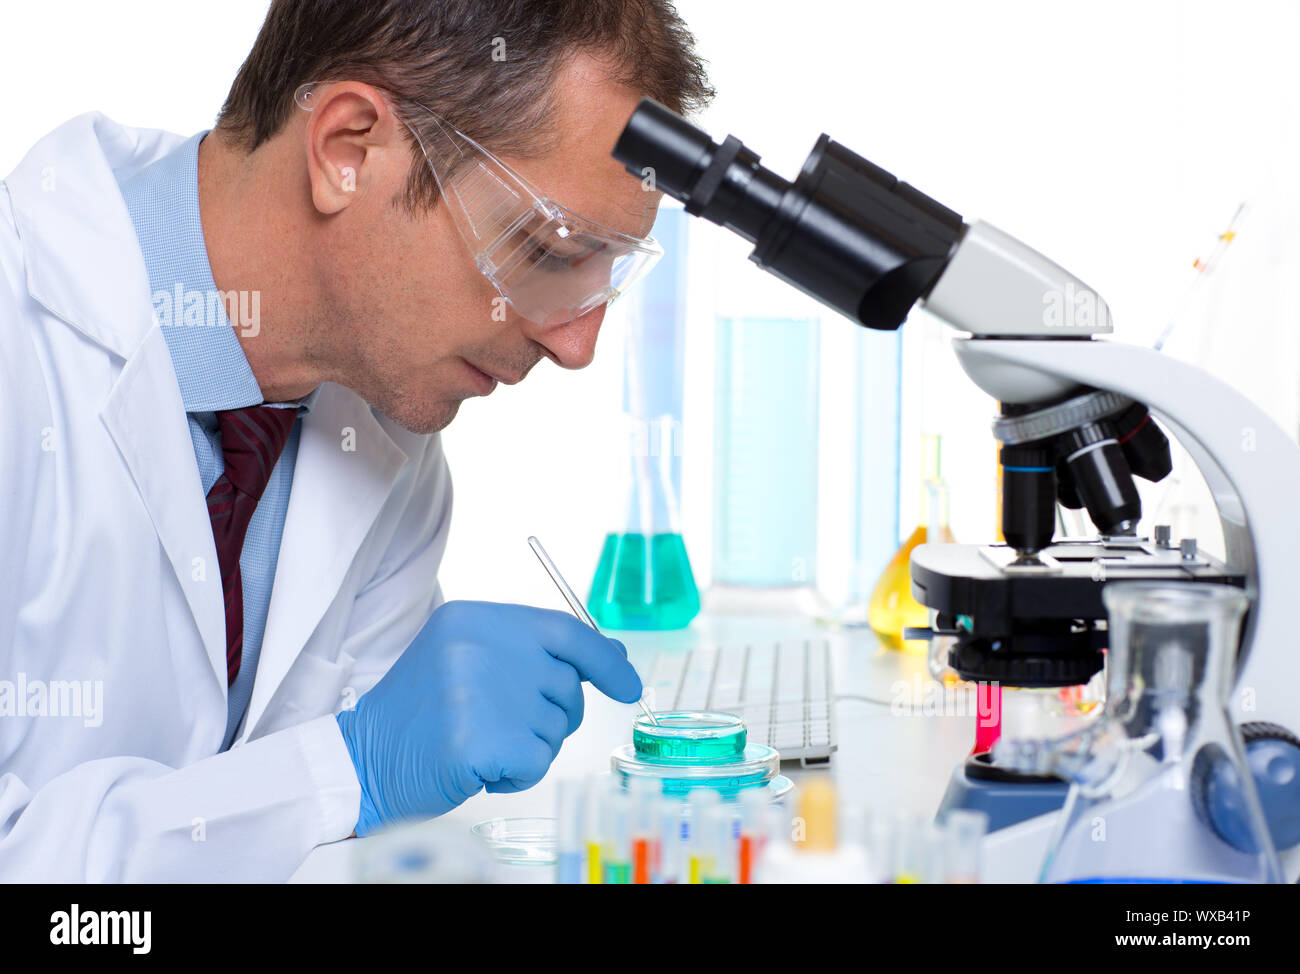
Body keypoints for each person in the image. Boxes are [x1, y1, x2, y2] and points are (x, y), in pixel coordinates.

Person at [0, 0, 713, 881]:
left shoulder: (385, 441)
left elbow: (322, 854)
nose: (576, 346)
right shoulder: (20, 350)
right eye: (548, 248)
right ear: (348, 148)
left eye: (606, 277)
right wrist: (352, 768)